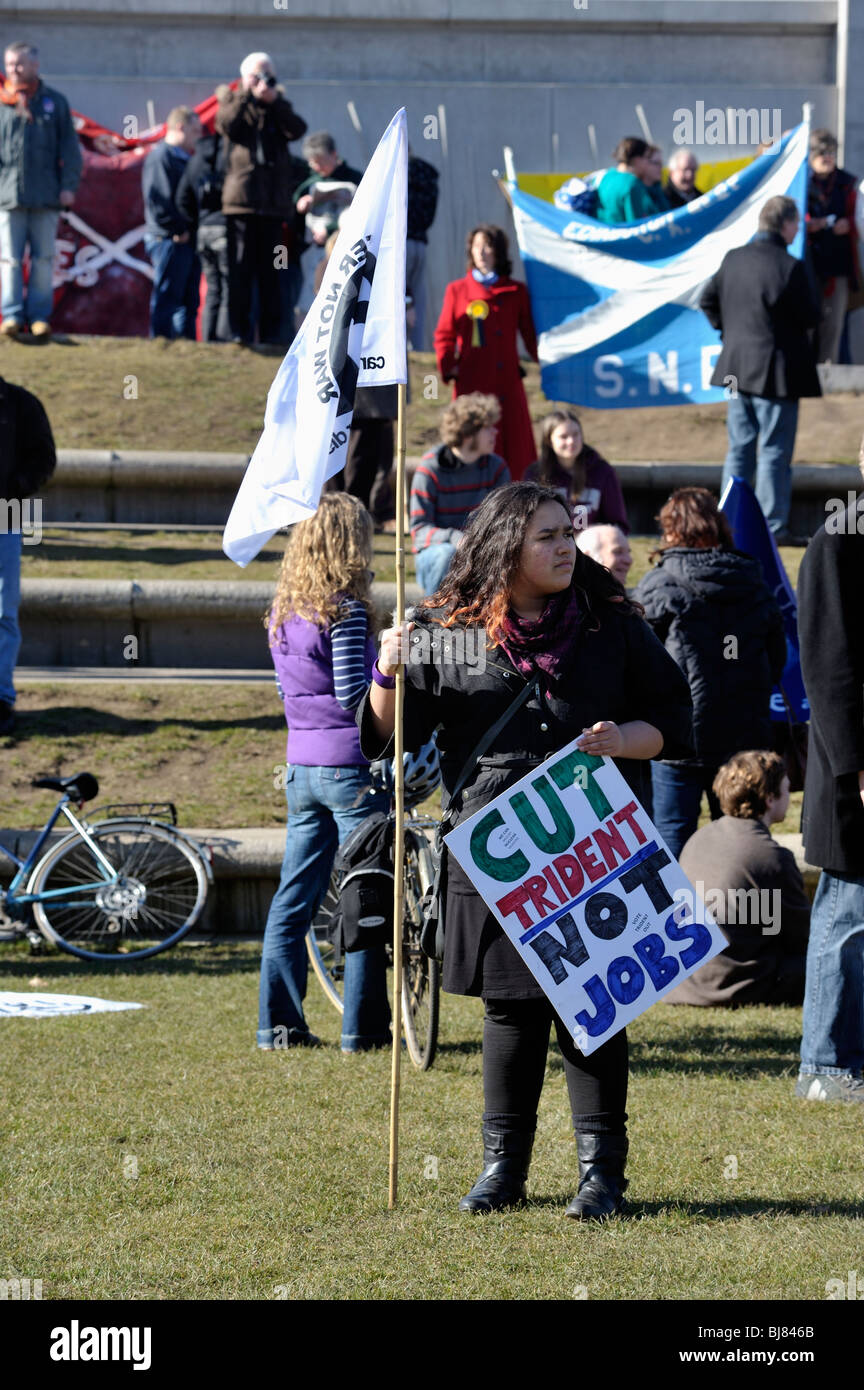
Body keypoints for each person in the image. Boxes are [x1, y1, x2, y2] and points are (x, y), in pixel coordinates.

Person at [362, 482, 692, 1219]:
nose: (565, 546)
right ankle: (501, 1171)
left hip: (593, 847)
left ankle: (601, 1177)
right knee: (510, 1011)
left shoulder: (610, 624)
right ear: (504, 548)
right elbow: (384, 738)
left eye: (568, 532)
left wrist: (623, 740)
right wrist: (387, 668)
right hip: (496, 851)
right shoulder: (447, 631)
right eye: (547, 536)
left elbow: (673, 719)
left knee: (595, 1009)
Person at [258, 493, 391, 1054]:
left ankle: (277, 1026)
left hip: (301, 767)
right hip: (351, 768)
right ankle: (363, 1029)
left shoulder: (283, 613)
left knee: (293, 900)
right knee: (364, 897)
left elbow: (289, 691)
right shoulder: (346, 610)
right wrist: (388, 669)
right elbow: (351, 694)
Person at [635, 487, 786, 861]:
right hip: (744, 740)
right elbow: (776, 659)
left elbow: (639, 662)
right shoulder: (753, 580)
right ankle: (738, 901)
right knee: (741, 838)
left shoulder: (660, 583)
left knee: (671, 841)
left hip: (678, 739)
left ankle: (673, 903)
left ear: (671, 530)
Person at [795, 469, 864, 1103]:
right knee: (848, 910)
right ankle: (826, 1067)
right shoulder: (840, 538)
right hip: (853, 766)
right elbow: (828, 662)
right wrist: (856, 766)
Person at [700, 195, 821, 542]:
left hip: (735, 371)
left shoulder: (733, 259)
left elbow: (707, 300)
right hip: (775, 374)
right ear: (785, 224)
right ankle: (772, 528)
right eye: (796, 223)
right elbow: (811, 316)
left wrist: (729, 333)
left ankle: (727, 522)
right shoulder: (789, 266)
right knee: (774, 451)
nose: (797, 230)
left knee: (739, 447)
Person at [663, 751, 809, 1007]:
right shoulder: (771, 856)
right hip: (734, 985)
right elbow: (803, 935)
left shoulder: (700, 837)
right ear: (770, 798)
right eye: (786, 789)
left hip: (685, 983)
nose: (789, 795)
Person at [434, 223, 538, 480]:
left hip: (508, 386)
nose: (481, 252)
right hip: (472, 385)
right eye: (476, 246)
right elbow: (444, 335)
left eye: (488, 246)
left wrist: (548, 362)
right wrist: (448, 367)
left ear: (498, 252)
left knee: (515, 450)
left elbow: (530, 335)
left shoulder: (517, 291)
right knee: (472, 443)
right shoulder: (457, 290)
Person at [216, 52, 307, 344]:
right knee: (240, 270)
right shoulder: (233, 102)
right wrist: (247, 94)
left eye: (268, 76)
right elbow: (226, 125)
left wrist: (273, 102)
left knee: (273, 273)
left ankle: (272, 335)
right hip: (241, 204)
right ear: (245, 78)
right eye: (257, 75)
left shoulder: (279, 106)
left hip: (273, 208)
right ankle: (238, 333)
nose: (263, 82)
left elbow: (297, 129)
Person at [0, 40, 82, 340]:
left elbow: (70, 150)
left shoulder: (55, 103)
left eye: (19, 63)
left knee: (44, 259)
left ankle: (38, 317)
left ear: (35, 65)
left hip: (46, 196)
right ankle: (11, 316)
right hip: (8, 196)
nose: (13, 69)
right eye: (9, 64)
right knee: (9, 259)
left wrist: (68, 186)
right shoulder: (2, 103)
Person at [410, 393, 510, 596]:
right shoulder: (430, 470)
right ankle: (434, 612)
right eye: (488, 427)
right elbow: (419, 530)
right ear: (467, 433)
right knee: (447, 555)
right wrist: (455, 538)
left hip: (480, 551)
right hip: (439, 554)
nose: (495, 431)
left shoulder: (496, 468)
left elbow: (505, 521)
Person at [0, 374, 56, 734]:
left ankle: (1, 698)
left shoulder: (21, 403)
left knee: (3, 610)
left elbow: (44, 458)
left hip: (5, 513)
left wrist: (15, 487)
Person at [141, 107, 201, 340]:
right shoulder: (161, 158)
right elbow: (158, 200)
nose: (198, 137)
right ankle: (162, 344)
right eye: (195, 131)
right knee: (167, 297)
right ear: (180, 127)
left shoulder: (186, 159)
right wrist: (178, 229)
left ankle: (186, 346)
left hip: (185, 239)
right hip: (168, 239)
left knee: (188, 300)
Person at [525, 409, 629, 532]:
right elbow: (527, 522)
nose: (571, 441)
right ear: (549, 441)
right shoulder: (535, 474)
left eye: (575, 434)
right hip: (551, 542)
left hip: (591, 542)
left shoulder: (602, 471)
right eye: (563, 436)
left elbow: (617, 523)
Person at [806, 128, 858, 364]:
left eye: (831, 152)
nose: (827, 157)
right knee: (806, 324)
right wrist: (809, 224)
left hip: (838, 267)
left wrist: (850, 224)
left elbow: (859, 219)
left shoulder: (847, 184)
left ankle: (827, 376)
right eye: (821, 152)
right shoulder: (801, 182)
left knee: (833, 326)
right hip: (808, 266)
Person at [177, 116, 229, 342]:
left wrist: (196, 224)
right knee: (228, 288)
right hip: (225, 229)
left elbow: (182, 199)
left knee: (213, 288)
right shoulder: (229, 158)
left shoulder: (194, 160)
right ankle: (224, 339)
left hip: (203, 232)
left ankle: (208, 339)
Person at [406, 149, 439, 349]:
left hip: (403, 242)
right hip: (420, 242)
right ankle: (417, 347)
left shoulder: (399, 171)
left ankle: (403, 347)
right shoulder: (428, 175)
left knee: (401, 296)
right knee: (417, 298)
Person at [595, 137, 658, 225]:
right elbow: (636, 224)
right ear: (637, 159)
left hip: (603, 229)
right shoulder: (632, 183)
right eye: (647, 158)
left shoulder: (607, 175)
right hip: (620, 232)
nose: (648, 163)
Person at [576, 524, 632, 589]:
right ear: (587, 558)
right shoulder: (574, 594)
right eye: (618, 552)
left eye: (628, 552)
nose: (628, 560)